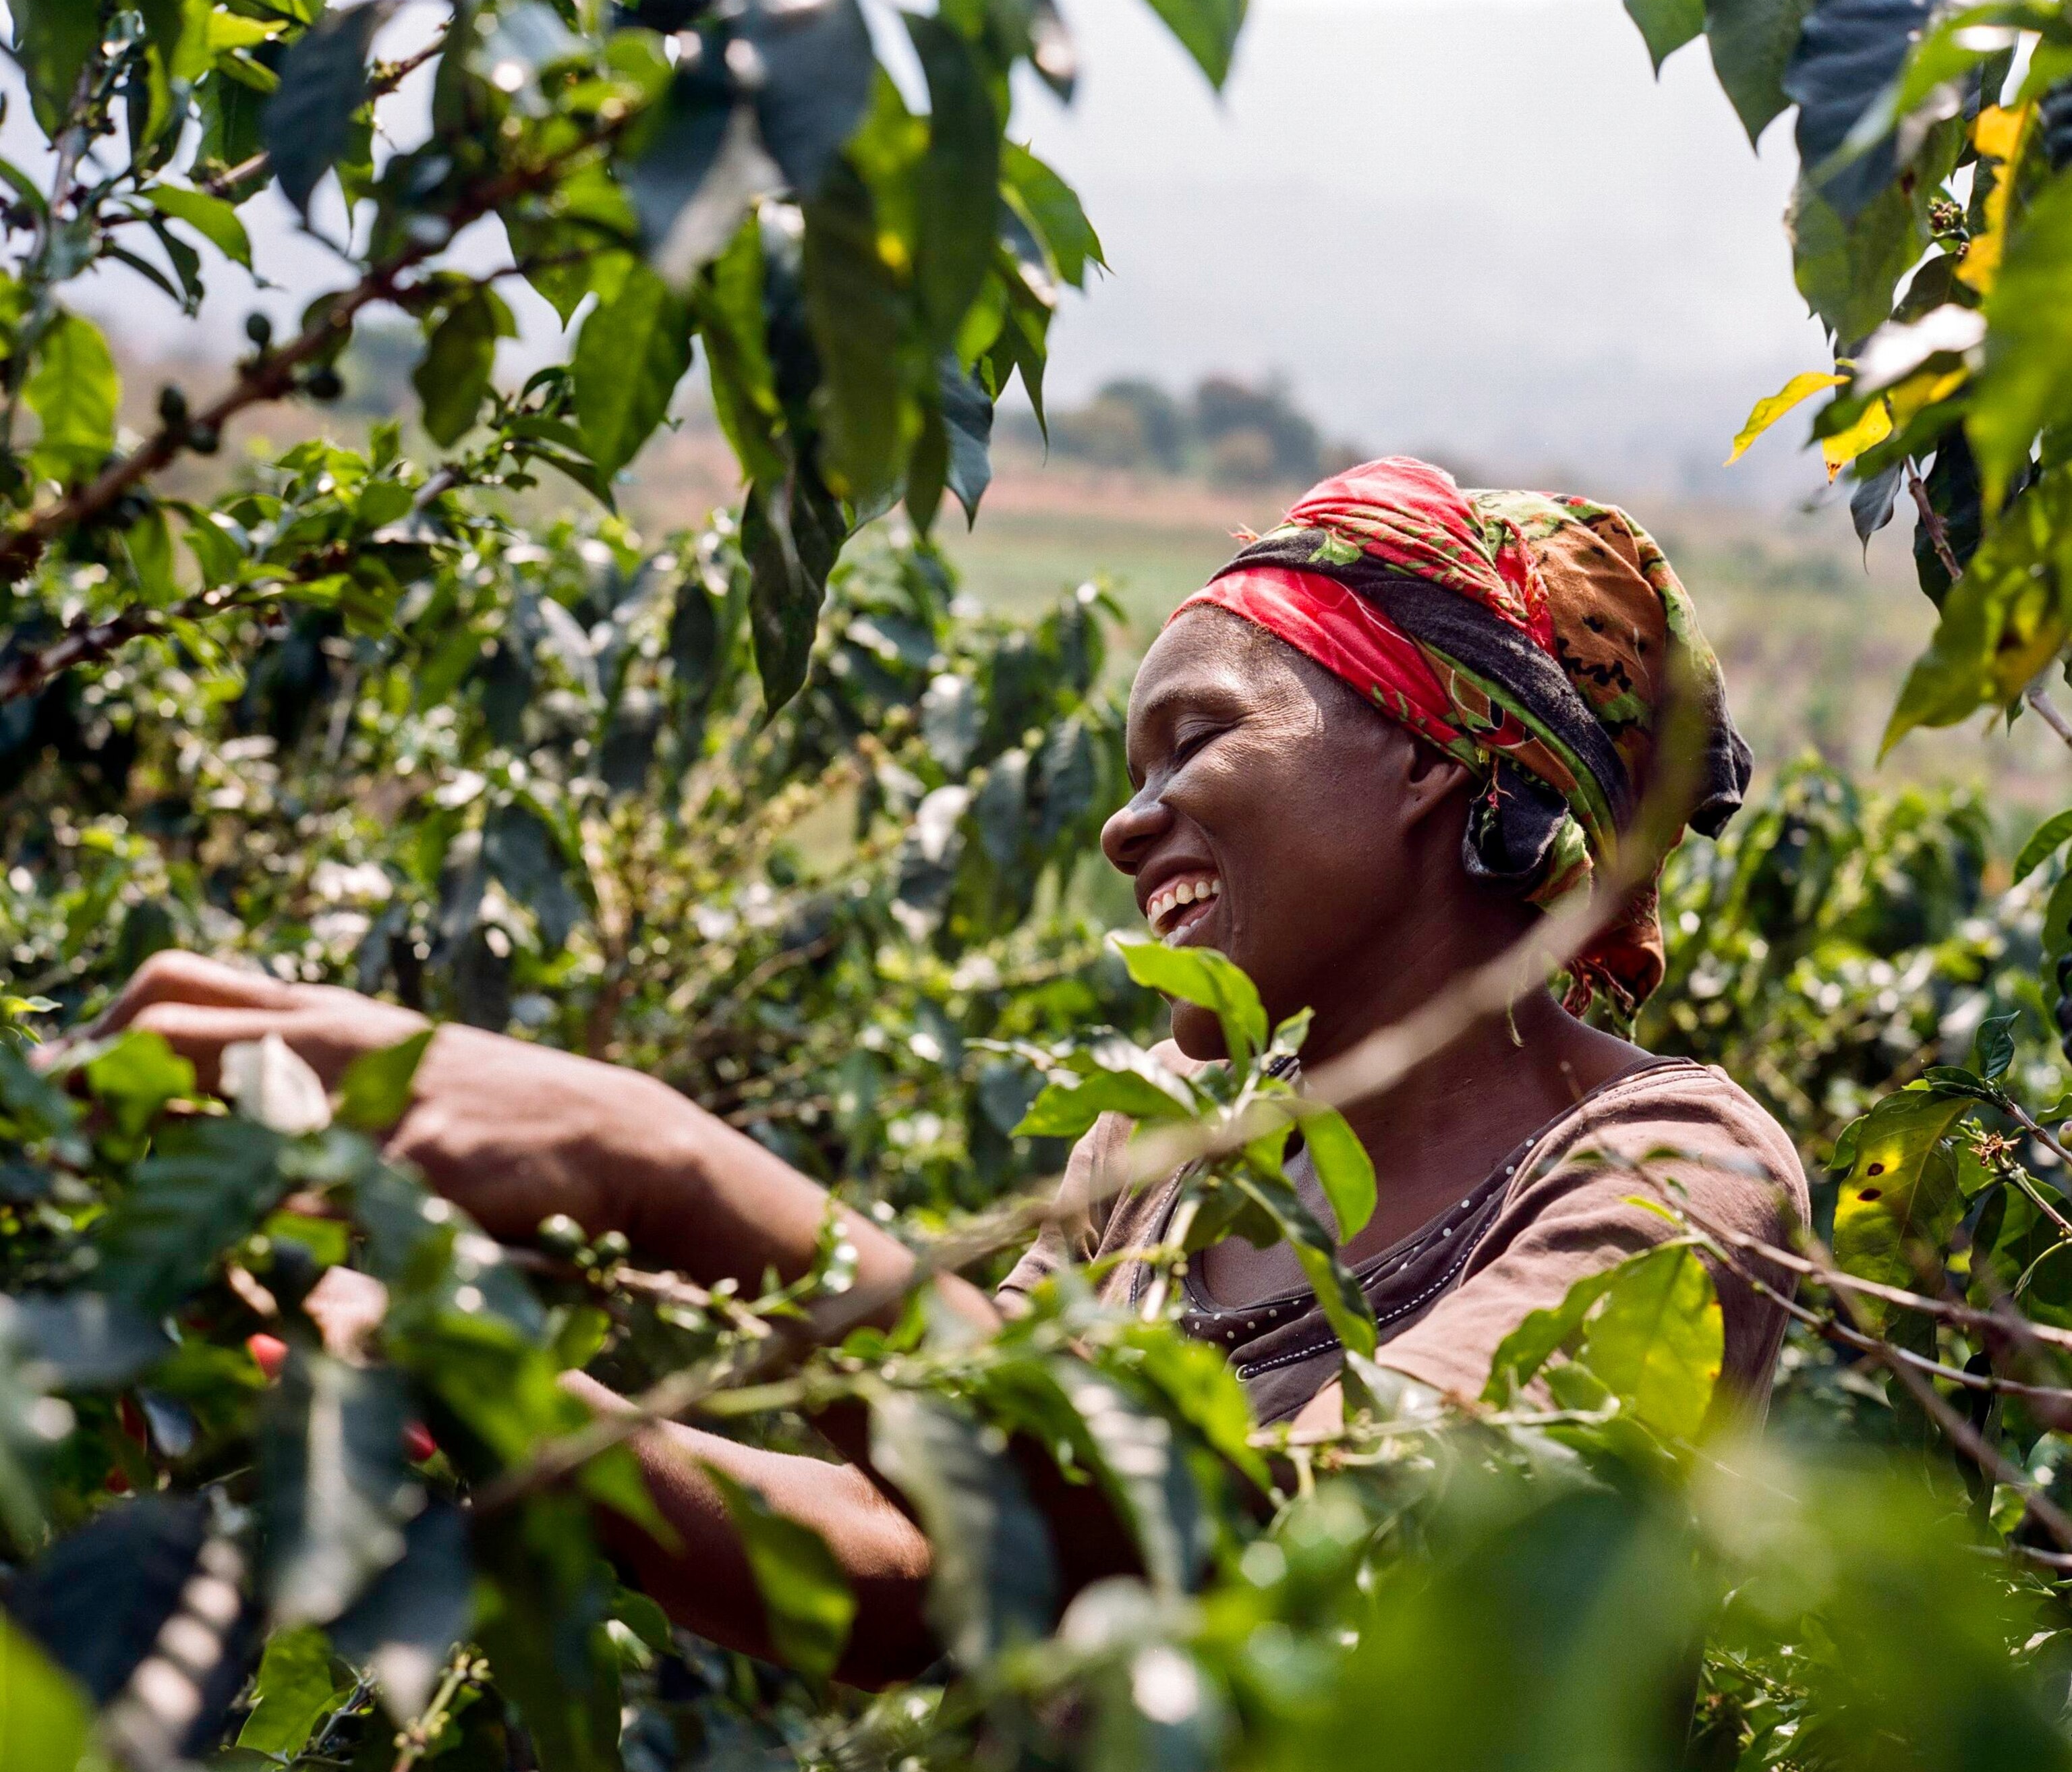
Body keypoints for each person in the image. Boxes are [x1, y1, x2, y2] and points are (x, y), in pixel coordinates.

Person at [84, 457, 1808, 1687]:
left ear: (1438, 756)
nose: (1130, 825)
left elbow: (1311, 1560)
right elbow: (922, 1572)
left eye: (1198, 736)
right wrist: (478, 1373)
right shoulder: (1157, 1160)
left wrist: (667, 1167)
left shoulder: (1670, 1165)